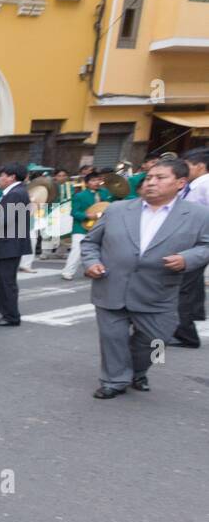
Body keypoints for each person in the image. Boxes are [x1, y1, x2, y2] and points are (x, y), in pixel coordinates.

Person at [81, 159, 209, 399]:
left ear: (180, 183)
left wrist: (188, 258)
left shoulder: (199, 215)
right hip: (111, 285)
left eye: (160, 178)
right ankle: (114, 380)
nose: (151, 182)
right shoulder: (117, 210)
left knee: (158, 341)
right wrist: (91, 262)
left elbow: (206, 245)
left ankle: (139, 371)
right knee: (113, 339)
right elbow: (90, 242)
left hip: (159, 290)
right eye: (149, 178)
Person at [0, 163, 32, 327]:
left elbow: (4, 220)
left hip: (8, 245)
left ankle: (11, 316)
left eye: (2, 175)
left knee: (5, 282)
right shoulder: (14, 192)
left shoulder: (15, 194)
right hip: (3, 244)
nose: (0, 179)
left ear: (11, 177)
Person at [171, 147, 209, 348]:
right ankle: (191, 320)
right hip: (192, 244)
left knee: (182, 289)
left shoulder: (205, 185)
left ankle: (186, 334)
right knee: (191, 288)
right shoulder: (195, 185)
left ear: (200, 166)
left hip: (197, 245)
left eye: (187, 166)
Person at [61, 170, 113, 282]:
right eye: (93, 180)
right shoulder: (79, 195)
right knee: (77, 249)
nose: (96, 182)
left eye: (98, 180)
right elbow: (74, 212)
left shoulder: (105, 193)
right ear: (87, 182)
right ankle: (68, 272)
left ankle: (90, 269)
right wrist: (87, 215)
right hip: (81, 227)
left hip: (99, 226)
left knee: (98, 250)